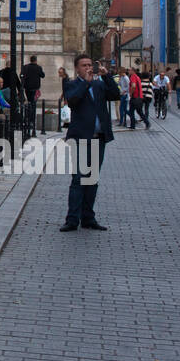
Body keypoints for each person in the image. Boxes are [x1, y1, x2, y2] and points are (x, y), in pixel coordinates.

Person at [60, 55, 120, 232]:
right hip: (79, 138)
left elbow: (115, 94)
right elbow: (73, 100)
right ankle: (72, 219)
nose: (88, 68)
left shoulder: (99, 84)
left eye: (90, 65)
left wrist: (107, 76)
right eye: (84, 65)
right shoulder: (71, 84)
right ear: (77, 69)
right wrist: (85, 82)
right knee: (79, 178)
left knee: (92, 180)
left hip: (98, 138)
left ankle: (88, 217)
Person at [21, 54, 44, 131]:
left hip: (27, 88)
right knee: (33, 104)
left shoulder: (25, 67)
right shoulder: (38, 67)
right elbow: (42, 75)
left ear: (30, 60)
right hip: (35, 89)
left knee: (29, 103)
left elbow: (21, 75)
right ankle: (31, 121)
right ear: (36, 60)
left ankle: (27, 119)